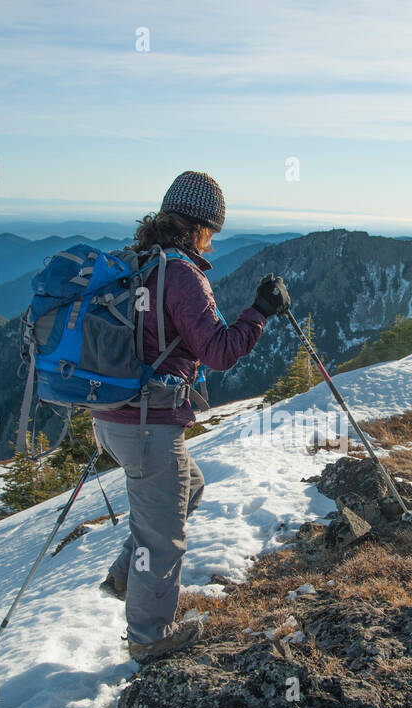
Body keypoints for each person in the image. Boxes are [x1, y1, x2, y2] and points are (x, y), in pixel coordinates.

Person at [93, 171, 289, 663]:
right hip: (147, 425)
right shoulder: (181, 273)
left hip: (112, 417)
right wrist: (259, 312)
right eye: (213, 231)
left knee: (189, 488)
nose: (214, 241)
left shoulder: (134, 261)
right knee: (163, 538)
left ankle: (125, 578)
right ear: (202, 225)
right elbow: (219, 351)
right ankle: (149, 638)